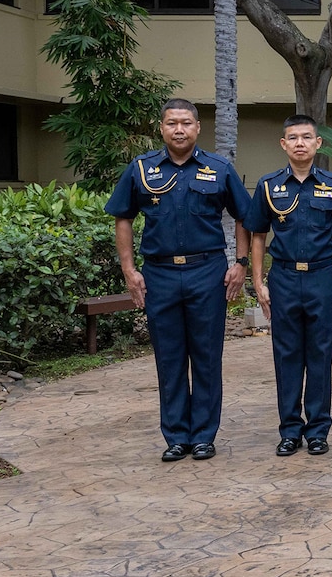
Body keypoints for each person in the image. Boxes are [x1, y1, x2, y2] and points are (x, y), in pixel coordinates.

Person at [106, 98, 251, 462]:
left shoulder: (219, 168)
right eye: (172, 123)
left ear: (198, 128)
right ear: (161, 128)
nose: (179, 130)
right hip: (160, 274)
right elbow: (123, 217)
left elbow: (244, 216)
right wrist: (129, 270)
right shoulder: (142, 169)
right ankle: (176, 437)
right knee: (169, 357)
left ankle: (203, 436)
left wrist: (241, 263)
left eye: (186, 123)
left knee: (206, 356)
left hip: (207, 272)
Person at [245, 115, 332, 457]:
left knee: (321, 354)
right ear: (283, 144)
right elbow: (258, 235)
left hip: (323, 277)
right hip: (284, 278)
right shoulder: (268, 186)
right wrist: (258, 281)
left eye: (306, 137)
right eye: (292, 137)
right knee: (287, 355)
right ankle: (290, 430)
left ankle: (318, 430)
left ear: (318, 143)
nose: (300, 143)